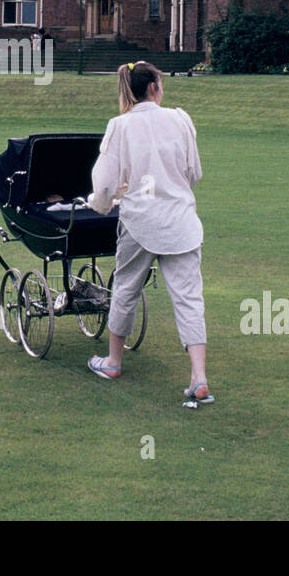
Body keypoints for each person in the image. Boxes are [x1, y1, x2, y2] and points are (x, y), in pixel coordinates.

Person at [86, 61, 209, 405]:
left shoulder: (120, 126)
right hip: (181, 222)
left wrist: (101, 203)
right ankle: (199, 376)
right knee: (189, 298)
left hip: (141, 221)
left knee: (125, 287)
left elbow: (105, 181)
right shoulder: (180, 120)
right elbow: (193, 172)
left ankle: (113, 362)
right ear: (154, 87)